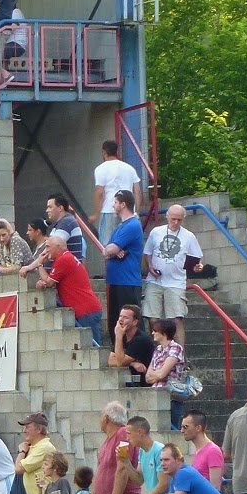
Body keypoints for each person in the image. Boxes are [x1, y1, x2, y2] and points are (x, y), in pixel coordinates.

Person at [141, 203, 202, 342]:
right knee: (152, 318)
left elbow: (197, 258)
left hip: (176, 282)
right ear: (167, 217)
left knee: (176, 319)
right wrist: (150, 266)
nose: (175, 222)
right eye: (173, 219)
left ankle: (179, 354)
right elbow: (148, 252)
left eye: (179, 220)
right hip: (155, 280)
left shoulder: (189, 236)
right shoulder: (156, 232)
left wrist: (197, 267)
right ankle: (158, 351)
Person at [102, 190, 144, 339]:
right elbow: (106, 250)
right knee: (116, 321)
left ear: (123, 204)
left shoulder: (132, 225)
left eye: (115, 202)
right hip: (116, 281)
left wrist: (112, 250)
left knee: (130, 322)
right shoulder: (120, 227)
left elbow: (111, 249)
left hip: (127, 282)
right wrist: (111, 250)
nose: (113, 205)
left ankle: (138, 355)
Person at [92, 139, 140, 243]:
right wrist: (135, 210)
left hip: (109, 210)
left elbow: (99, 192)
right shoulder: (129, 168)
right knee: (127, 244)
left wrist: (95, 213)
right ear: (116, 152)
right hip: (128, 212)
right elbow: (137, 191)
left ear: (104, 152)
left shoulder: (101, 169)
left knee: (107, 244)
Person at [143, 318, 188, 430]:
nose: (152, 332)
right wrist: (157, 374)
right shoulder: (158, 349)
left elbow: (161, 374)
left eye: (155, 330)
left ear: (163, 333)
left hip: (171, 396)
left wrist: (157, 374)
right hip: (156, 394)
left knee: (171, 429)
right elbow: (147, 377)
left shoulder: (176, 348)